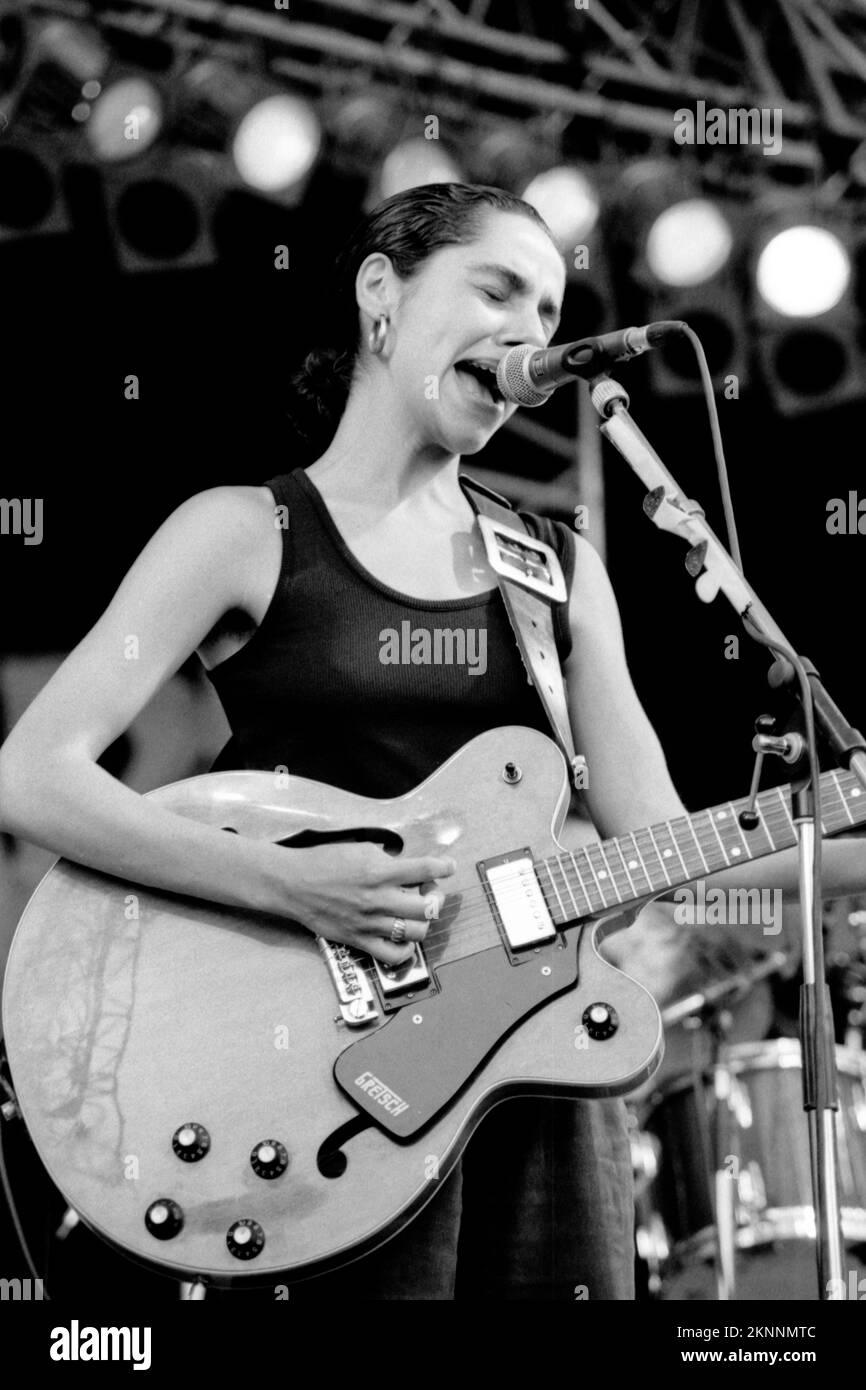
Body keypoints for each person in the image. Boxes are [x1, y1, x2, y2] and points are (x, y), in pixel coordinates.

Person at [1, 182, 864, 1301]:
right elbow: (33, 774)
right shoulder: (245, 532)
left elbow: (665, 843)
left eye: (549, 313)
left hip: (538, 1071)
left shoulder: (555, 567)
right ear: (381, 297)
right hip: (320, 1085)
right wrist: (296, 887)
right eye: (496, 289)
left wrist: (838, 831)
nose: (529, 335)